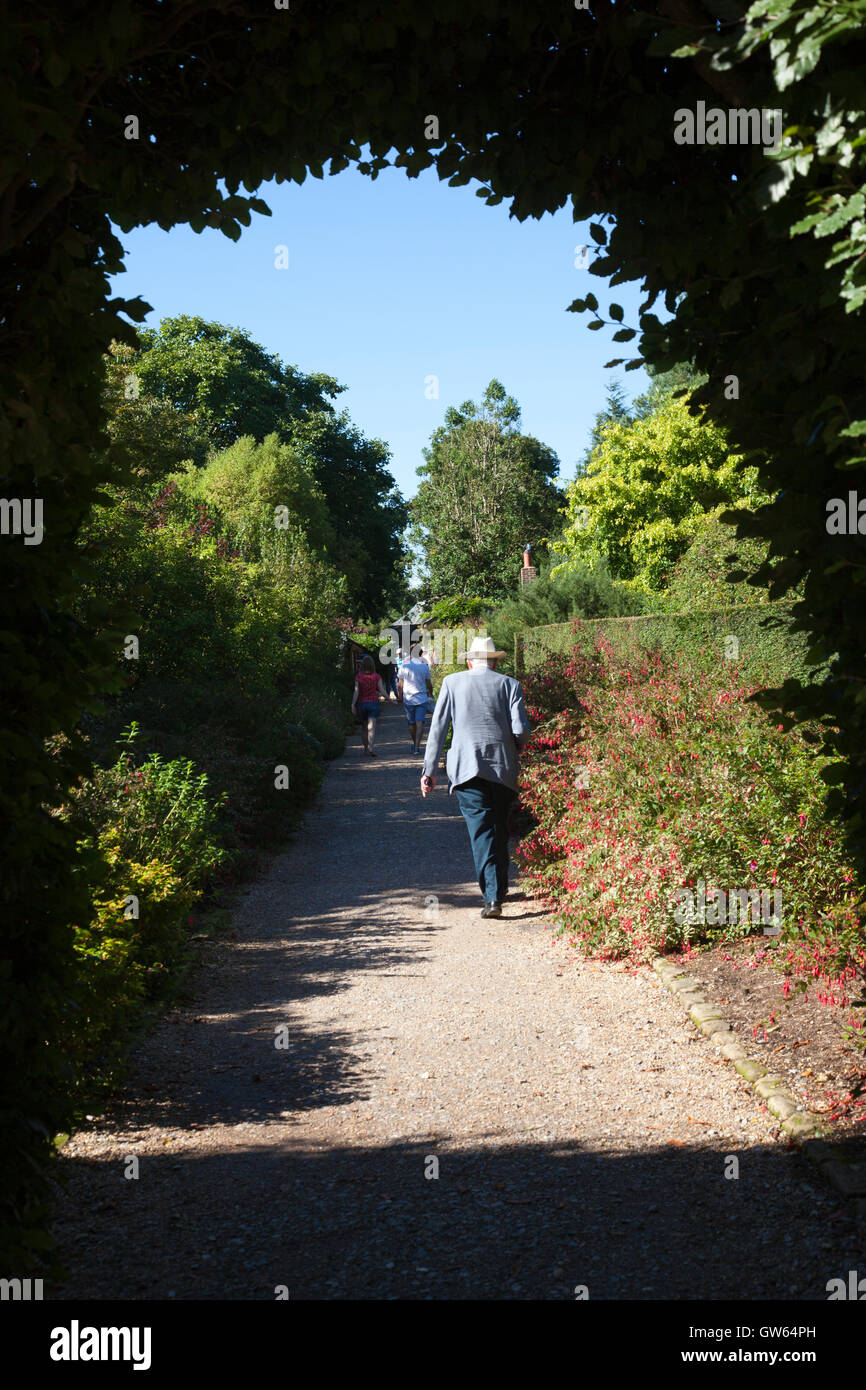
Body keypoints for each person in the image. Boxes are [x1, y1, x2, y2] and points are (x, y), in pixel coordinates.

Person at [420, 635, 530, 918]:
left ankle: (493, 897)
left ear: (469, 661)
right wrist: (514, 748)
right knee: (499, 826)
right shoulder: (510, 685)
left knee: (482, 830)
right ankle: (499, 889)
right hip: (503, 768)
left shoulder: (452, 683)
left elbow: (438, 729)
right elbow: (521, 732)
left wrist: (429, 772)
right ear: (494, 661)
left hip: (467, 768)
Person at [398, 650, 434, 754]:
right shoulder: (424, 667)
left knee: (411, 723)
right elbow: (428, 683)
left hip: (408, 698)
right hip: (421, 698)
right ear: (420, 654)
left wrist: (399, 697)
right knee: (420, 723)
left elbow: (400, 684)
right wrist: (430, 693)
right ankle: (417, 746)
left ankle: (415, 744)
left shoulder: (404, 666)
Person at [351, 655, 387, 757]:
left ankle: (366, 749)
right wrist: (389, 699)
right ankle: (371, 746)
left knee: (364, 728)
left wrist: (353, 704)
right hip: (373, 703)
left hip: (362, 704)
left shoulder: (358, 676)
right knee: (372, 726)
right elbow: (381, 690)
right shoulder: (377, 676)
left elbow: (356, 692)